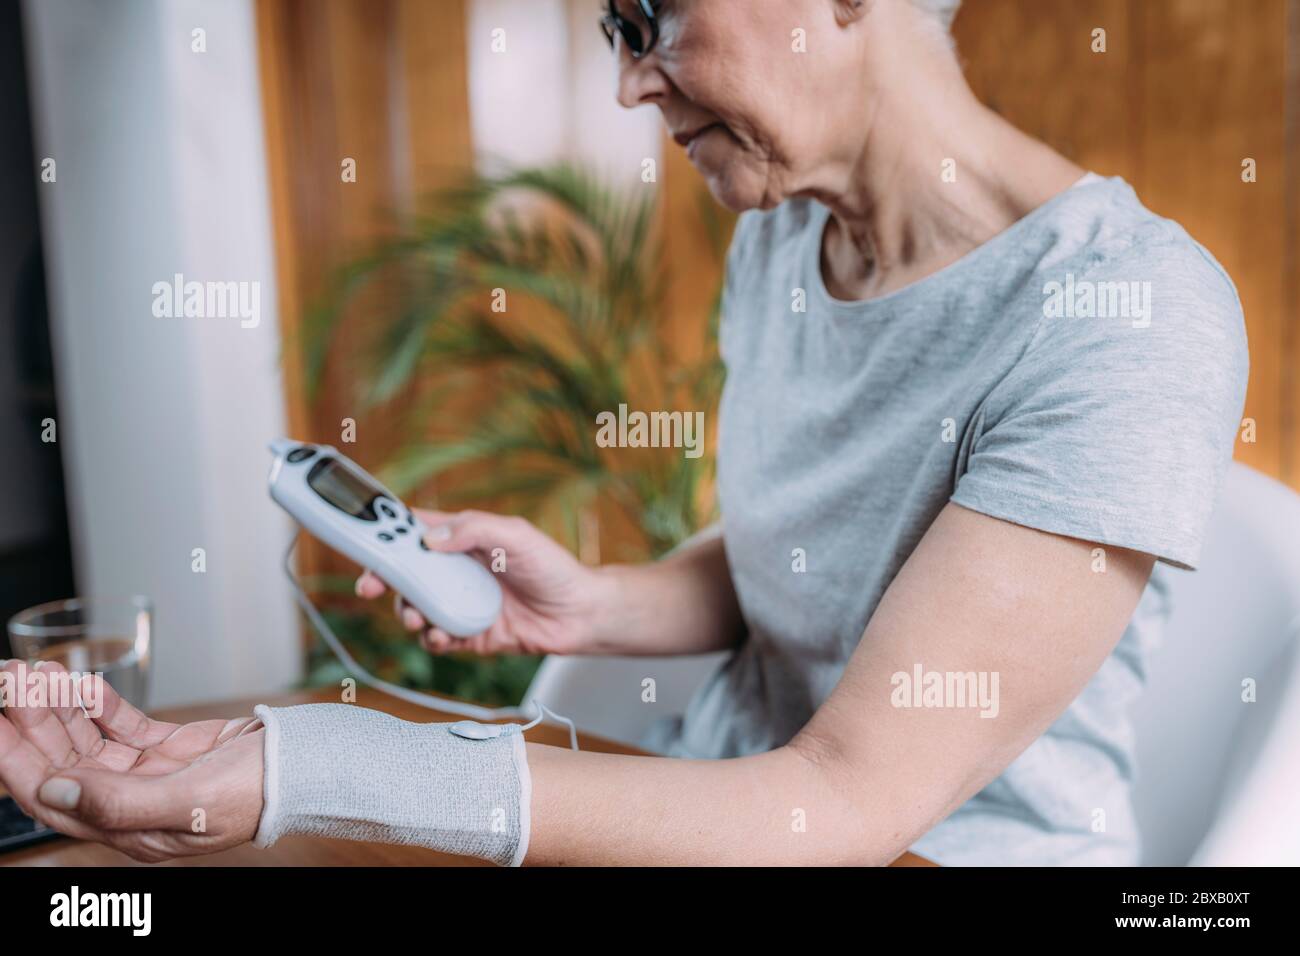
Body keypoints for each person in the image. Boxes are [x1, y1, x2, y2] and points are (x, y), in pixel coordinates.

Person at [0, 0, 1247, 866]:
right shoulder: (778, 235)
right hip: (712, 807)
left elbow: (842, 802)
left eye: (649, 17)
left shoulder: (1124, 313)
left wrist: (315, 768)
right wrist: (591, 605)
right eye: (611, 32)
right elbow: (807, 556)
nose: (627, 78)